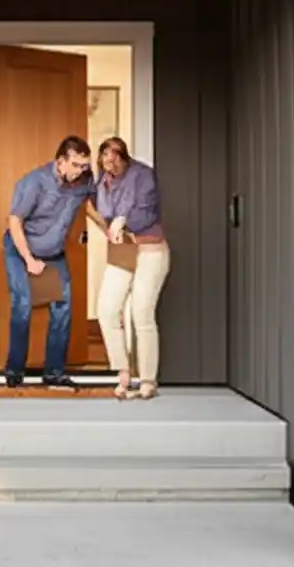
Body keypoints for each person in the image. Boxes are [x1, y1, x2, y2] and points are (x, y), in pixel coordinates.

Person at [3, 135, 95, 389]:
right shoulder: (35, 182)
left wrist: (109, 229)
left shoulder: (84, 181)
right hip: (21, 248)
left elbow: (92, 205)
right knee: (22, 306)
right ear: (60, 161)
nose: (81, 171)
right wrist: (29, 260)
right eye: (76, 165)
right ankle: (14, 372)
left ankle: (54, 372)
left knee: (62, 307)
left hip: (53, 252)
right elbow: (14, 221)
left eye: (84, 166)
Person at [90, 137, 170, 400]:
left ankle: (148, 380)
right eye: (105, 159)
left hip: (150, 250)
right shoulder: (102, 183)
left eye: (115, 159)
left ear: (124, 157)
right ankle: (123, 372)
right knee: (107, 309)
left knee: (141, 312)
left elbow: (146, 213)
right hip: (123, 251)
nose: (110, 165)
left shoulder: (143, 175)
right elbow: (100, 211)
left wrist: (124, 220)